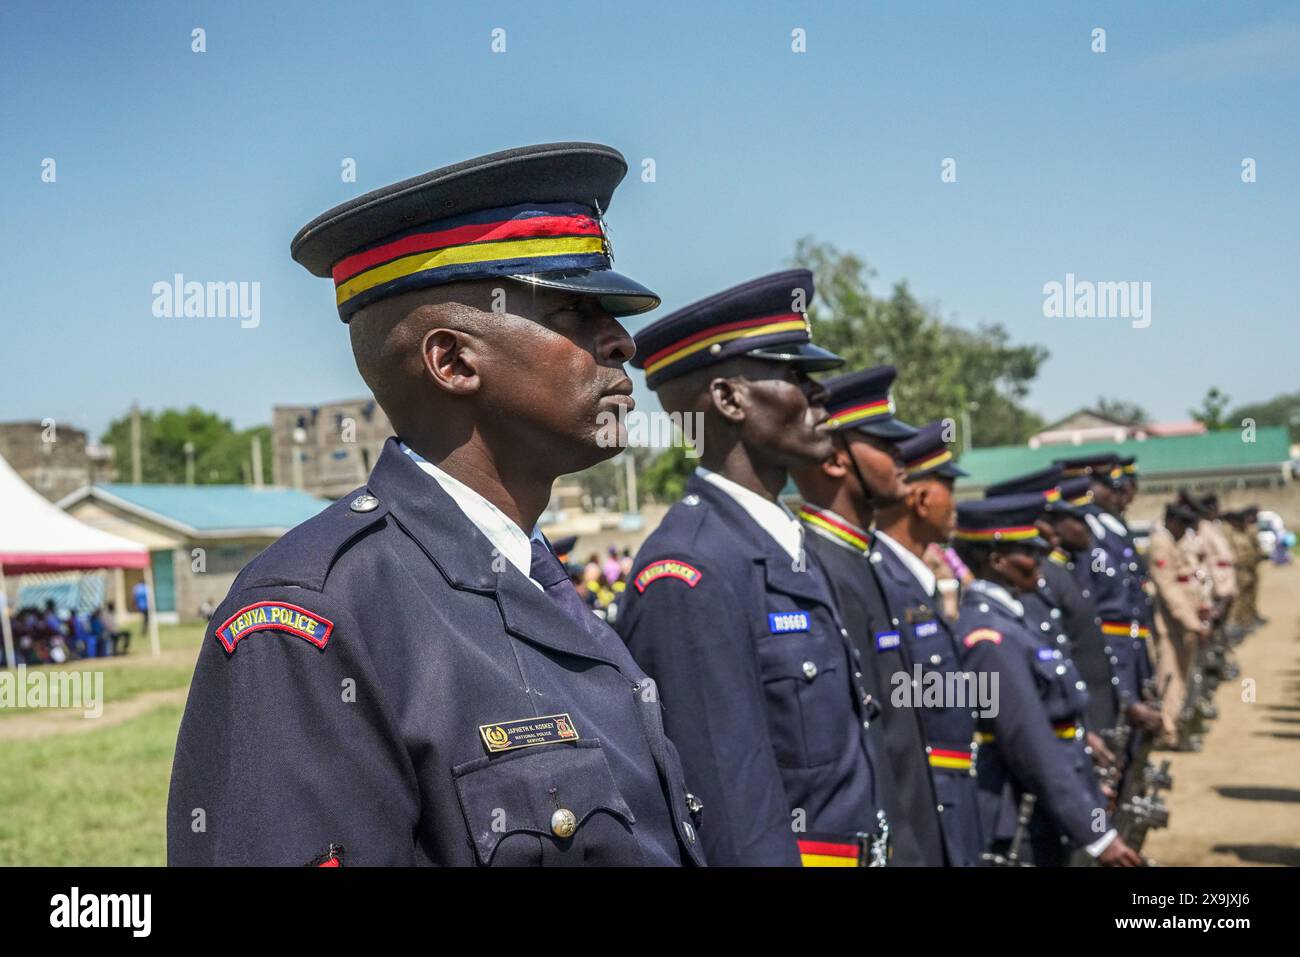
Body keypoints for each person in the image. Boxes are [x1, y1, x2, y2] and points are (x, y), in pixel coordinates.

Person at [168, 142, 705, 867]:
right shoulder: (314, 617)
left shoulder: (534, 572)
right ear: (452, 361)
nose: (622, 341)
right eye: (576, 312)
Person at [618, 270, 891, 867]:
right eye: (797, 376)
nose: (821, 397)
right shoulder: (689, 571)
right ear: (728, 399)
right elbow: (731, 810)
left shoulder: (784, 541)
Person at [791, 370, 953, 867]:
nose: (904, 460)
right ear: (839, 458)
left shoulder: (860, 559)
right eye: (887, 444)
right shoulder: (817, 565)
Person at [952, 493, 1143, 867]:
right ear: (997, 561)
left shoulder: (1013, 620)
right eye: (1028, 551)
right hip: (1024, 814)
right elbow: (1029, 741)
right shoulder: (989, 639)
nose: (1040, 560)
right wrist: (1096, 834)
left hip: (1047, 806)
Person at [868, 419, 986, 866]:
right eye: (948, 488)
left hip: (950, 794)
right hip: (921, 801)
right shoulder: (882, 579)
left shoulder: (914, 580)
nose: (956, 506)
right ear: (920, 499)